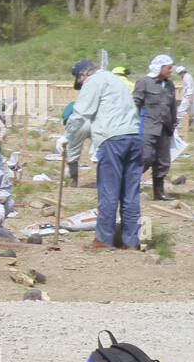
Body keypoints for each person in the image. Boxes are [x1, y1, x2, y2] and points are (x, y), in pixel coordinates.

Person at [64, 59, 142, 249]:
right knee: (131, 193)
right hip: (134, 137)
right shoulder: (117, 81)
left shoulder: (93, 81)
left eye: (80, 82)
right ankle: (131, 241)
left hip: (112, 139)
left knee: (109, 191)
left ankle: (104, 240)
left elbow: (81, 113)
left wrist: (66, 137)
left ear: (83, 75)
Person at [134, 54, 178, 201]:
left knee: (163, 162)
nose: (171, 71)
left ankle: (159, 193)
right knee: (146, 158)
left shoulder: (170, 85)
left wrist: (173, 125)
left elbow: (172, 107)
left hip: (165, 129)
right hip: (147, 127)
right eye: (168, 68)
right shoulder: (144, 82)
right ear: (159, 68)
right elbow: (135, 104)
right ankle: (130, 186)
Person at [177, 63, 194, 134]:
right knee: (186, 111)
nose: (179, 75)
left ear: (182, 72)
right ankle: (189, 121)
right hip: (187, 96)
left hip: (187, 97)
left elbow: (190, 87)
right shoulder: (187, 77)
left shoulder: (187, 77)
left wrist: (190, 97)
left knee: (181, 111)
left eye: (179, 73)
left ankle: (188, 120)